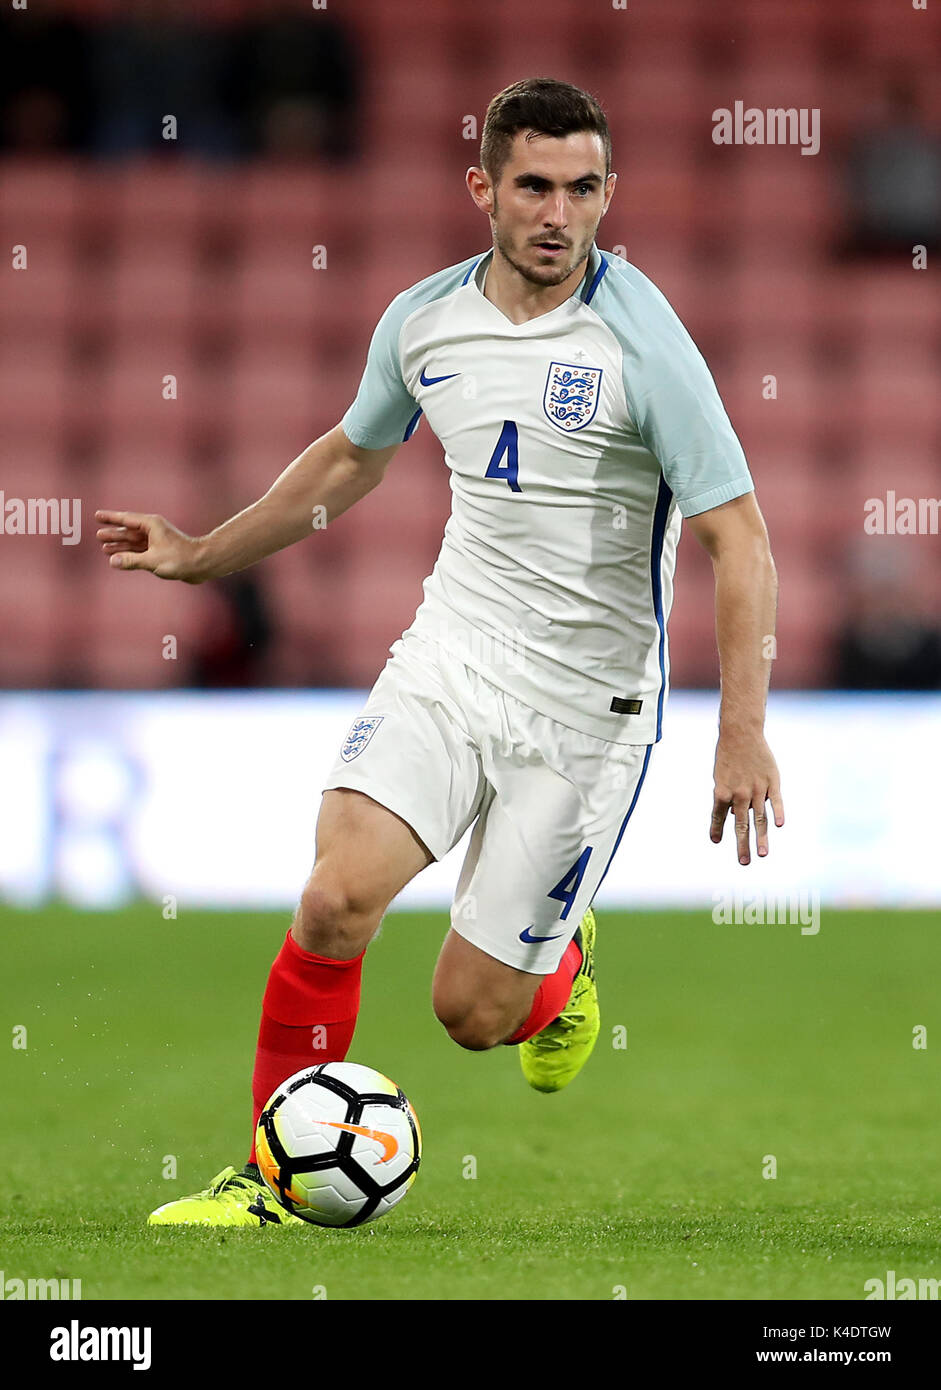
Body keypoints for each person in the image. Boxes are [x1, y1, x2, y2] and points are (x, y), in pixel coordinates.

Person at [96, 77, 784, 1227]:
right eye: (532, 186)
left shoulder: (641, 342)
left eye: (581, 188)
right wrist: (203, 554)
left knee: (470, 1012)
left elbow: (740, 541)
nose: (558, 214)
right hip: (450, 658)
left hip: (586, 712)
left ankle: (558, 977)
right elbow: (346, 461)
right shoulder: (424, 321)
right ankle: (268, 1179)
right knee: (331, 901)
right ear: (483, 188)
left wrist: (743, 733)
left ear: (607, 193)